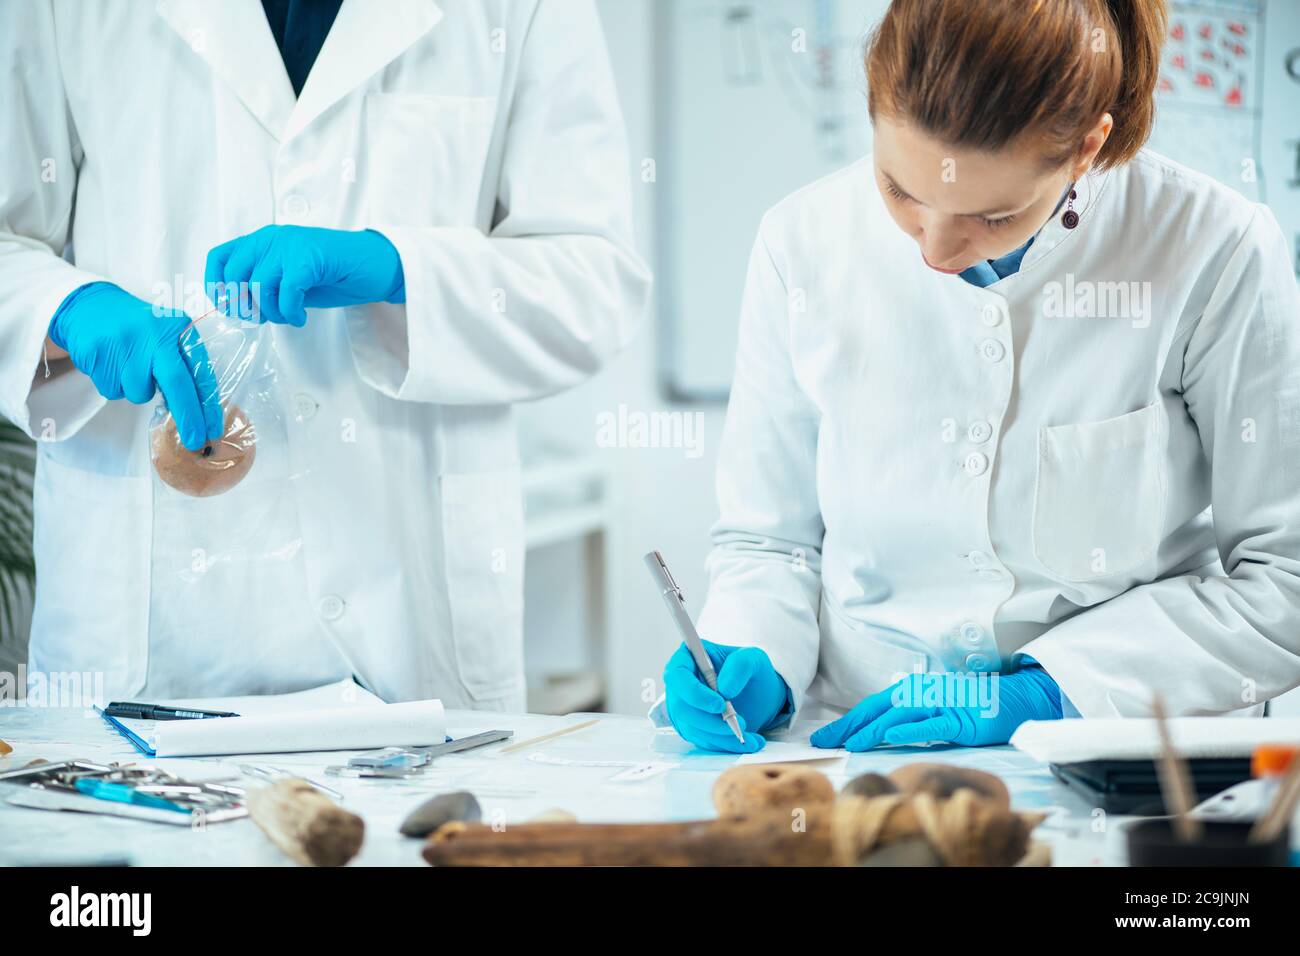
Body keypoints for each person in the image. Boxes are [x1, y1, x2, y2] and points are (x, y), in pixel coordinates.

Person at [659, 0, 1300, 753]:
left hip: (1122, 752)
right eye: (900, 190)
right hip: (853, 745)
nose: (934, 249)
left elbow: (1282, 577)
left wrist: (1053, 688)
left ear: (1088, 147)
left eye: (992, 216)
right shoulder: (800, 243)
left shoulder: (1212, 249)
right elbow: (770, 543)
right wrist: (752, 648)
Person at [0, 0, 649, 707]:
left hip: (406, 628)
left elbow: (596, 284)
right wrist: (63, 311)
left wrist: (400, 268)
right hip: (149, 629)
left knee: (420, 817)